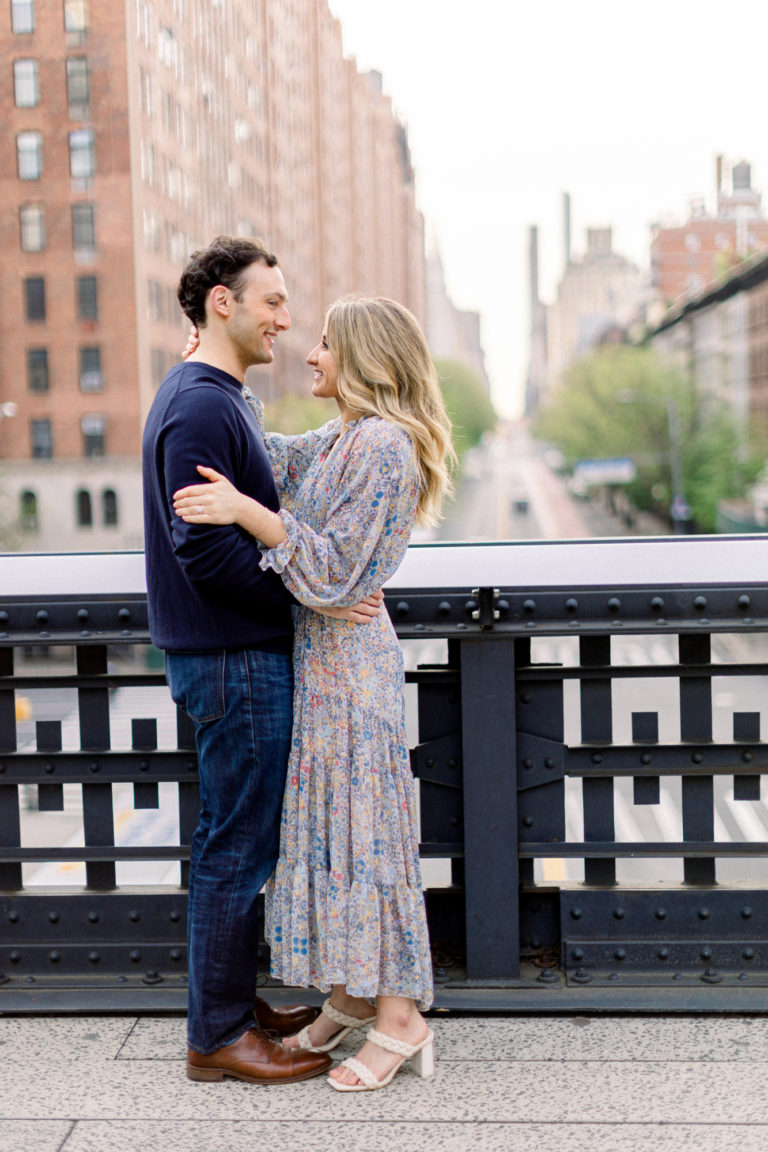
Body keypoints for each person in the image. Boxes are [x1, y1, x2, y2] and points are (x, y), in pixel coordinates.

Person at [173, 295, 455, 1092]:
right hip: (325, 663)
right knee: (333, 838)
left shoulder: (386, 447)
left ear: (365, 357)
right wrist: (207, 360)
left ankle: (400, 1017)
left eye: (327, 344)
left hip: (353, 669)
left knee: (368, 841)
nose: (312, 353)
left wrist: (244, 514)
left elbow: (330, 572)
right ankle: (350, 992)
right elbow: (268, 453)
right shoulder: (343, 438)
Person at [142, 236, 380, 1087]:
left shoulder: (218, 395)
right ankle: (218, 1039)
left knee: (237, 844)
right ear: (223, 304)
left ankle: (233, 1009)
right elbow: (205, 555)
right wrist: (312, 594)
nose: (285, 318)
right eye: (272, 301)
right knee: (235, 851)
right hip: (234, 657)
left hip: (233, 653)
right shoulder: (203, 405)